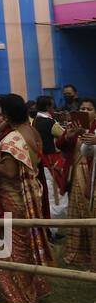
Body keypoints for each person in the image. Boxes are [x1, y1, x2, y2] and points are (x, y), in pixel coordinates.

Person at [0, 93, 52, 303]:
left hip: (13, 197)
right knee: (26, 245)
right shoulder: (32, 131)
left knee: (13, 248)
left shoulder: (13, 139)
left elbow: (9, 172)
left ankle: (21, 298)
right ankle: (34, 289)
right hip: (30, 195)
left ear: (7, 114)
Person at [64, 97, 96, 271]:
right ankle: (77, 253)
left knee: (91, 214)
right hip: (77, 173)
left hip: (91, 174)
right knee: (78, 213)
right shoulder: (73, 125)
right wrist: (71, 135)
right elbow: (61, 144)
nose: (85, 112)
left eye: (89, 109)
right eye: (82, 109)